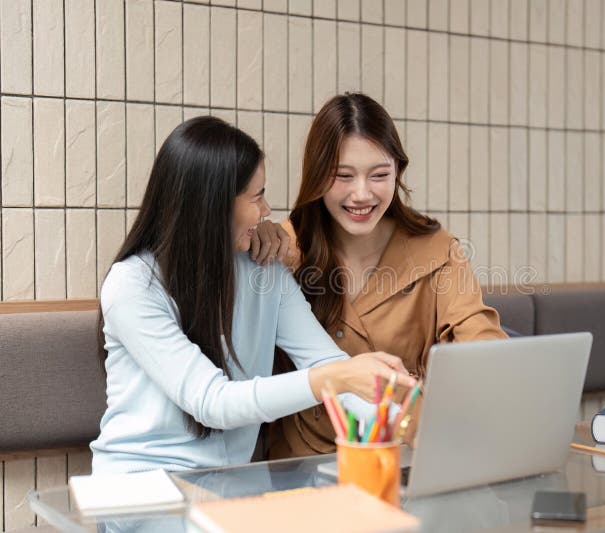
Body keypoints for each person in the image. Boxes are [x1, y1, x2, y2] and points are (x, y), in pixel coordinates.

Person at [90, 116, 415, 475]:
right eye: (256, 196)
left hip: (225, 488)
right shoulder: (133, 285)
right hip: (138, 489)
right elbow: (213, 403)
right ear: (213, 205)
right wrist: (335, 379)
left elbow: (325, 363)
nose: (266, 211)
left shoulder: (264, 270)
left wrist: (410, 422)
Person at [251, 93, 506, 459]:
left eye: (380, 175)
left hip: (402, 459)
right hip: (300, 469)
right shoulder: (280, 249)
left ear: (398, 172)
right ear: (317, 174)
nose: (362, 194)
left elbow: (482, 344)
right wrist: (251, 236)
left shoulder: (435, 250)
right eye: (343, 176)